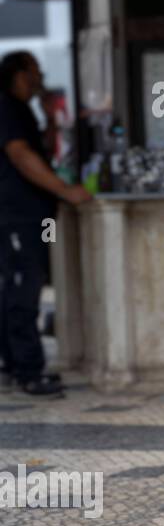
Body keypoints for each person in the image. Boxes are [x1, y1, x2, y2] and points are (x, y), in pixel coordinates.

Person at [0, 51, 91, 397]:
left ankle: (13, 363)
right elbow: (21, 156)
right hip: (17, 216)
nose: (40, 78)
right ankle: (28, 371)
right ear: (20, 75)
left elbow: (38, 153)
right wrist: (66, 191)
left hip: (33, 218)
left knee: (19, 284)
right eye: (35, 71)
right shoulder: (7, 107)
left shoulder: (20, 110)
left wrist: (51, 121)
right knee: (23, 288)